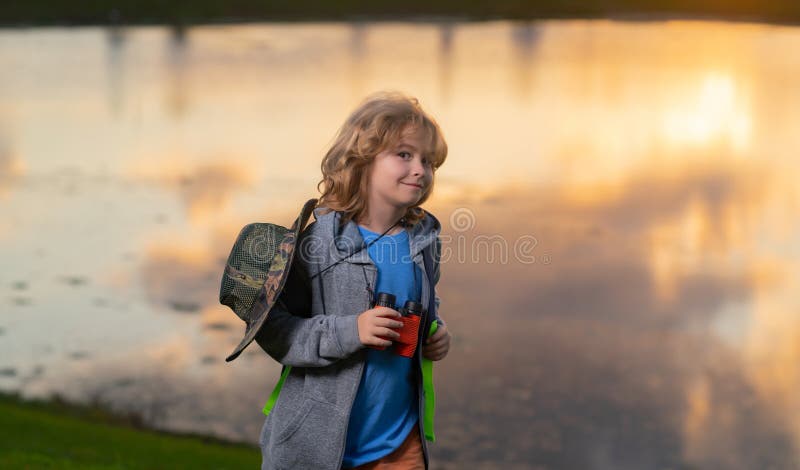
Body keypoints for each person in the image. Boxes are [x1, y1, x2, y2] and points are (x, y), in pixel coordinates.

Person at [255, 90, 452, 470]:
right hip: (318, 446)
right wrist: (352, 331)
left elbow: (429, 301)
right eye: (404, 154)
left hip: (399, 441)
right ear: (361, 160)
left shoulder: (424, 239)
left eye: (429, 161)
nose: (420, 170)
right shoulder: (316, 244)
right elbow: (275, 331)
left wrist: (436, 330)